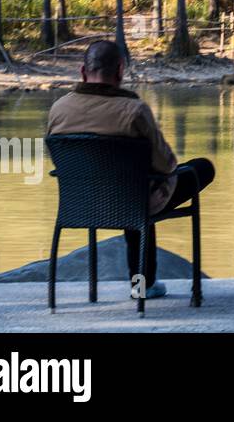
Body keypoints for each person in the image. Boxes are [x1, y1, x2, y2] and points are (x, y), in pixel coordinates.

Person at [46, 40, 215, 299]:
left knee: (136, 186)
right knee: (198, 169)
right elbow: (166, 164)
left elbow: (58, 159)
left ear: (82, 72)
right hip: (132, 200)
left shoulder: (58, 109)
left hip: (81, 202)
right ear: (120, 72)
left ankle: (141, 285)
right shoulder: (134, 111)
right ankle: (141, 286)